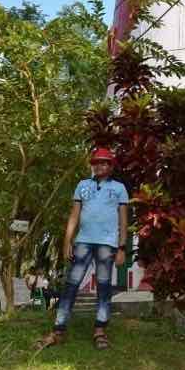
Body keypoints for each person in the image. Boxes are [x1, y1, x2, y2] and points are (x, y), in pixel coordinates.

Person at [36, 147, 128, 350]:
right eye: (97, 162)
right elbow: (74, 216)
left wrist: (122, 247)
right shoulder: (82, 185)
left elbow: (123, 219)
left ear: (111, 166)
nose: (100, 165)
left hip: (107, 244)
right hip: (83, 242)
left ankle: (100, 331)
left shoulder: (119, 188)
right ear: (92, 165)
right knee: (71, 285)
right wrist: (67, 241)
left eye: (105, 162)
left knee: (104, 287)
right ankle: (58, 330)